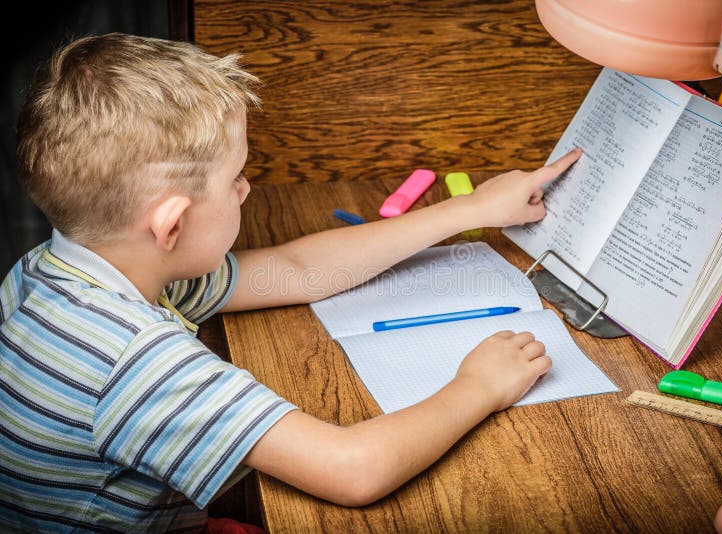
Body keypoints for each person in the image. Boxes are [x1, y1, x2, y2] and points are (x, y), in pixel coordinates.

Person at [0, 32, 582, 531]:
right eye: (236, 178)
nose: (247, 189)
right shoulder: (137, 363)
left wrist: (469, 209)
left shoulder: (53, 272)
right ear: (171, 225)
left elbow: (297, 270)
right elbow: (354, 468)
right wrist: (480, 386)